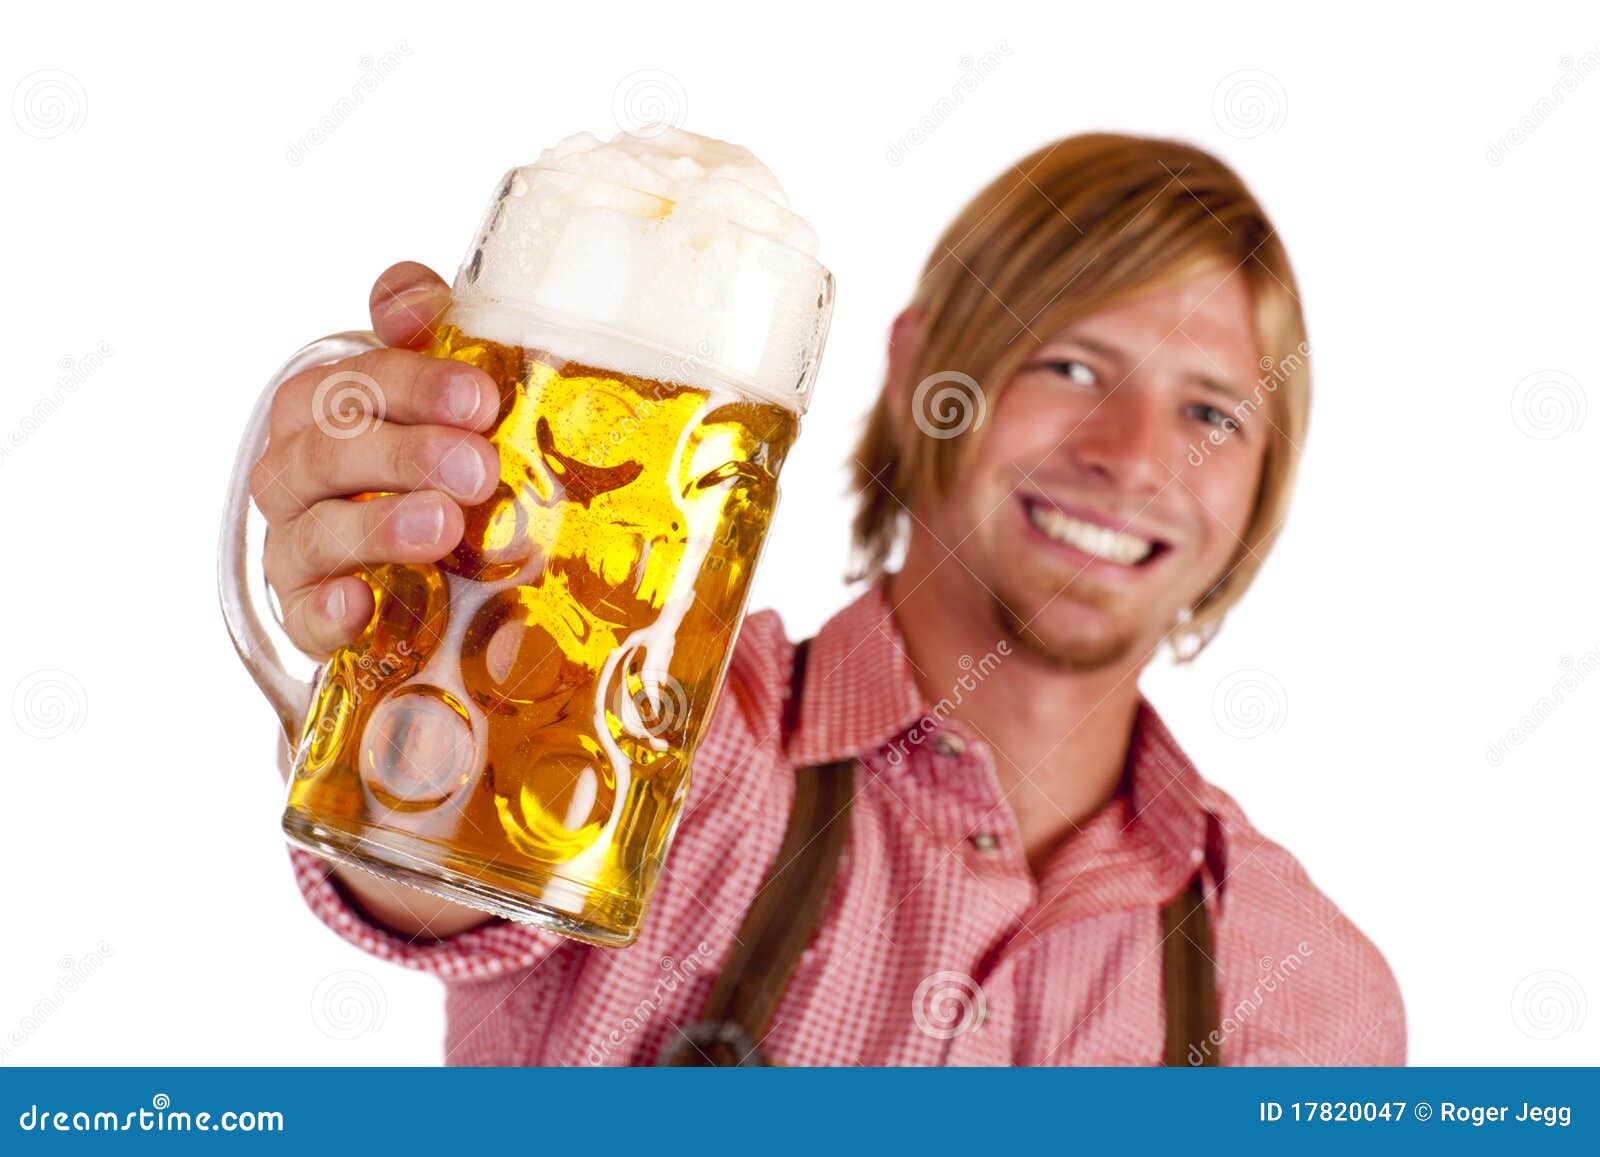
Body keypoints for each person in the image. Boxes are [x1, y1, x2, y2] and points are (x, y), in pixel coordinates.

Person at [246, 132, 1405, 1065]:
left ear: (1264, 482)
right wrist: (410, 607)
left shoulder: (1301, 985)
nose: (1134, 455)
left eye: (1211, 411)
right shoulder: (664, 736)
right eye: (1070, 367)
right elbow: (426, 861)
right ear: (919, 369)